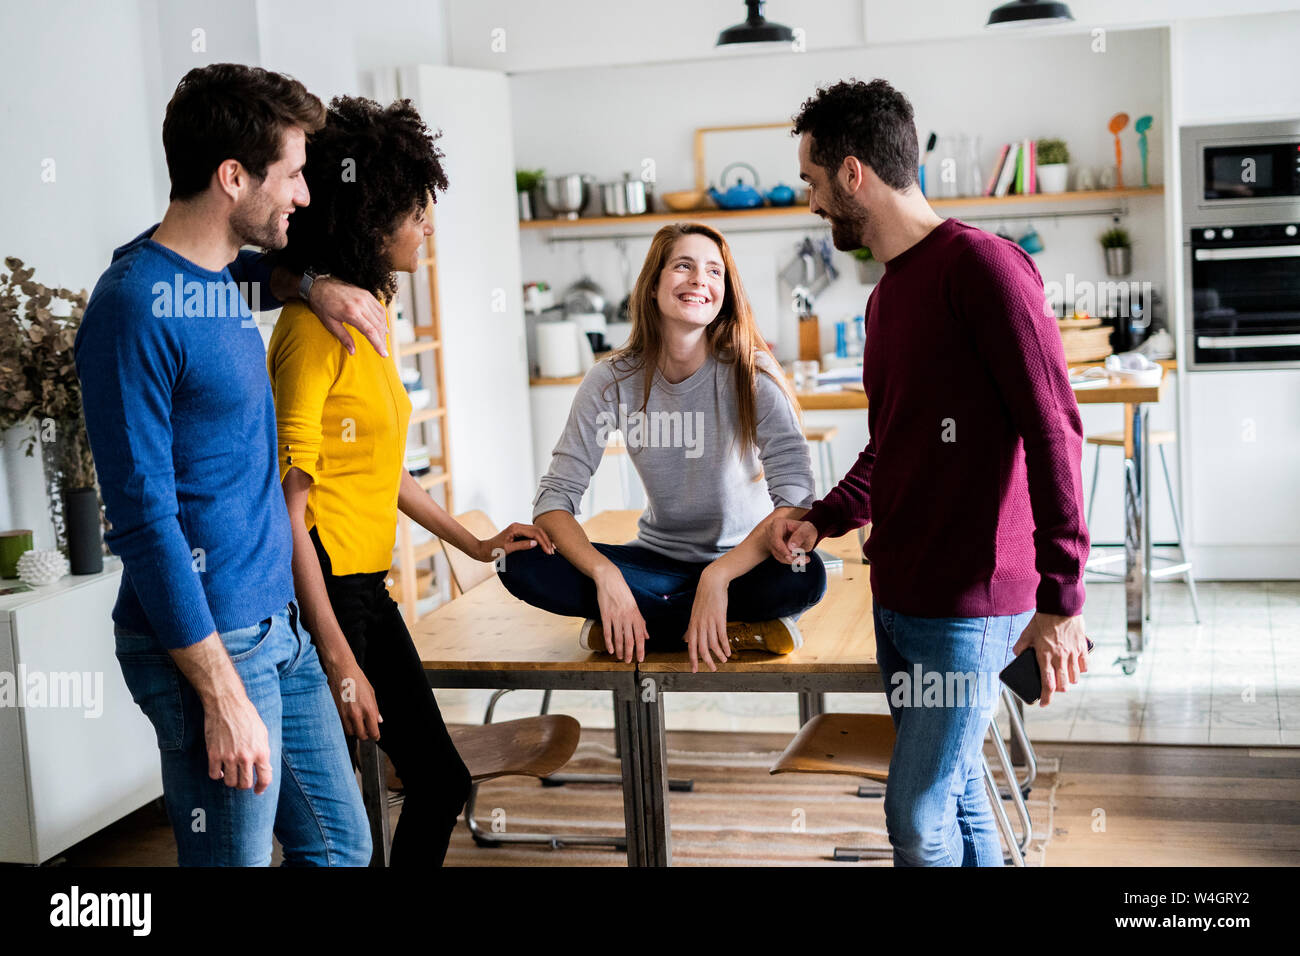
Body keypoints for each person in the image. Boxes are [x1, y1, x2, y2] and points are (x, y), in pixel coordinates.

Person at [768, 78, 1091, 867]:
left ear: (852, 174)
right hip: (899, 598)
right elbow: (894, 442)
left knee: (913, 814)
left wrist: (1062, 596)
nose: (810, 202)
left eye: (812, 181)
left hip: (970, 608)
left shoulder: (985, 269)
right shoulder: (884, 299)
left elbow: (1054, 431)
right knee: (959, 795)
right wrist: (827, 515)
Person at [76, 64, 386, 866]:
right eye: (292, 175)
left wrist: (313, 286)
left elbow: (254, 273)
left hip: (275, 625)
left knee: (342, 850)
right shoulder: (132, 307)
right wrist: (219, 692)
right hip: (211, 644)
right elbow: (141, 522)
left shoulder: (206, 277)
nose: (305, 196)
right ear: (231, 177)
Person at [267, 95, 551, 866]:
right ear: (370, 218)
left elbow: (382, 469)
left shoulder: (366, 318)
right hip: (323, 591)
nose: (428, 226)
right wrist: (338, 657)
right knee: (342, 824)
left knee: (437, 782)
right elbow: (290, 512)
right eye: (415, 211)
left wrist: (478, 541)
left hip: (364, 585)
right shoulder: (309, 334)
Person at [499, 222, 827, 673]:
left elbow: (796, 502)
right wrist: (605, 575)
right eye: (684, 266)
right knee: (518, 562)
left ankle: (636, 627)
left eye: (714, 272)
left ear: (725, 293)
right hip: (653, 564)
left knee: (805, 576)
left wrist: (719, 575)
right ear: (653, 285)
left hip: (743, 564)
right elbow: (555, 498)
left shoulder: (753, 374)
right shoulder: (612, 380)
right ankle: (733, 629)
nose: (699, 280)